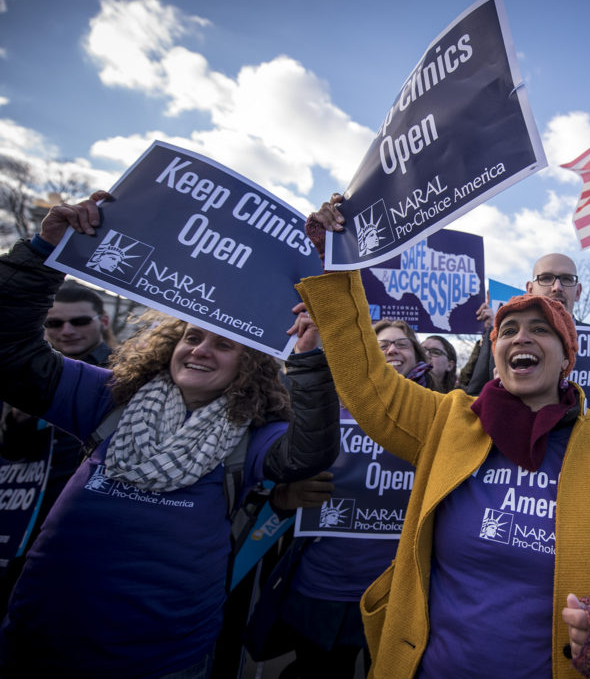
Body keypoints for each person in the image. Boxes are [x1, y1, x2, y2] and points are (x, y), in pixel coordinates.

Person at [298, 195, 590, 678]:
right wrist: (338, 268)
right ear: (497, 351)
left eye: (539, 330)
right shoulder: (450, 421)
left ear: (567, 357)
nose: (520, 338)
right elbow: (366, 383)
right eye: (508, 330)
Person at [0, 192, 340, 676]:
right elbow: (11, 358)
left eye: (223, 345)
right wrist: (40, 254)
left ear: (250, 366)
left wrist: (309, 355)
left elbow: (309, 452)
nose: (200, 351)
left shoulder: (254, 434)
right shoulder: (108, 397)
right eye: (192, 337)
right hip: (38, 643)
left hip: (163, 658)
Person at [276, 319, 435, 679]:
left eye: (402, 345)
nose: (392, 350)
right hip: (323, 588)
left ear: (418, 356)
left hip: (401, 597)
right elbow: (274, 474)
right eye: (381, 345)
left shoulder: (440, 417)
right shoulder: (328, 409)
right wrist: (285, 495)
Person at [0, 281, 115, 612]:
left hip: (90, 525)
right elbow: (10, 451)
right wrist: (19, 419)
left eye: (79, 321)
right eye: (54, 323)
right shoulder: (27, 372)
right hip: (26, 520)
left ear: (102, 321)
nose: (67, 331)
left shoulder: (128, 372)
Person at [459, 252, 585, 395]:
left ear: (578, 292)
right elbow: (475, 394)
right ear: (530, 289)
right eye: (545, 278)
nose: (557, 287)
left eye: (567, 279)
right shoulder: (497, 336)